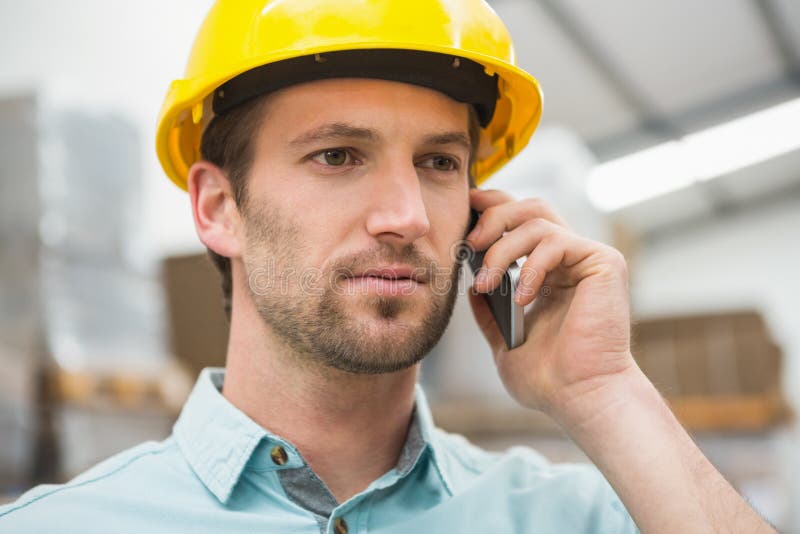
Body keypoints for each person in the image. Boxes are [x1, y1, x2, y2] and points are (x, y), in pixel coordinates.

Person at [0, 1, 776, 532]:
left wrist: (607, 395)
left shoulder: (568, 517)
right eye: (338, 155)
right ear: (218, 208)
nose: (406, 215)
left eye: (439, 162)